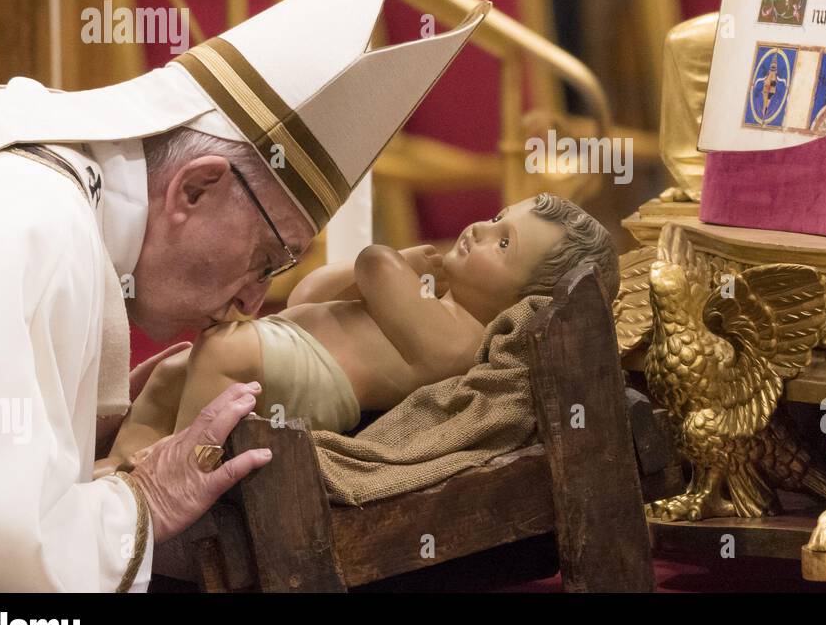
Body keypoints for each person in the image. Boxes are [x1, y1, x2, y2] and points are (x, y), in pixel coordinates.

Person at [0, 0, 487, 590]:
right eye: (267, 255)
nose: (253, 301)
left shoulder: (28, 167)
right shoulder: (36, 225)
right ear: (195, 188)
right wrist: (145, 502)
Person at [98, 194, 618, 472]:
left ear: (523, 303)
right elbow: (309, 295)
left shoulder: (457, 337)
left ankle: (183, 467)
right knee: (172, 368)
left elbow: (374, 264)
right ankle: (126, 463)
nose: (481, 230)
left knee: (222, 349)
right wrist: (408, 270)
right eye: (496, 218)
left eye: (504, 245)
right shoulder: (429, 297)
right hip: (286, 347)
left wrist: (403, 261)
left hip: (317, 387)